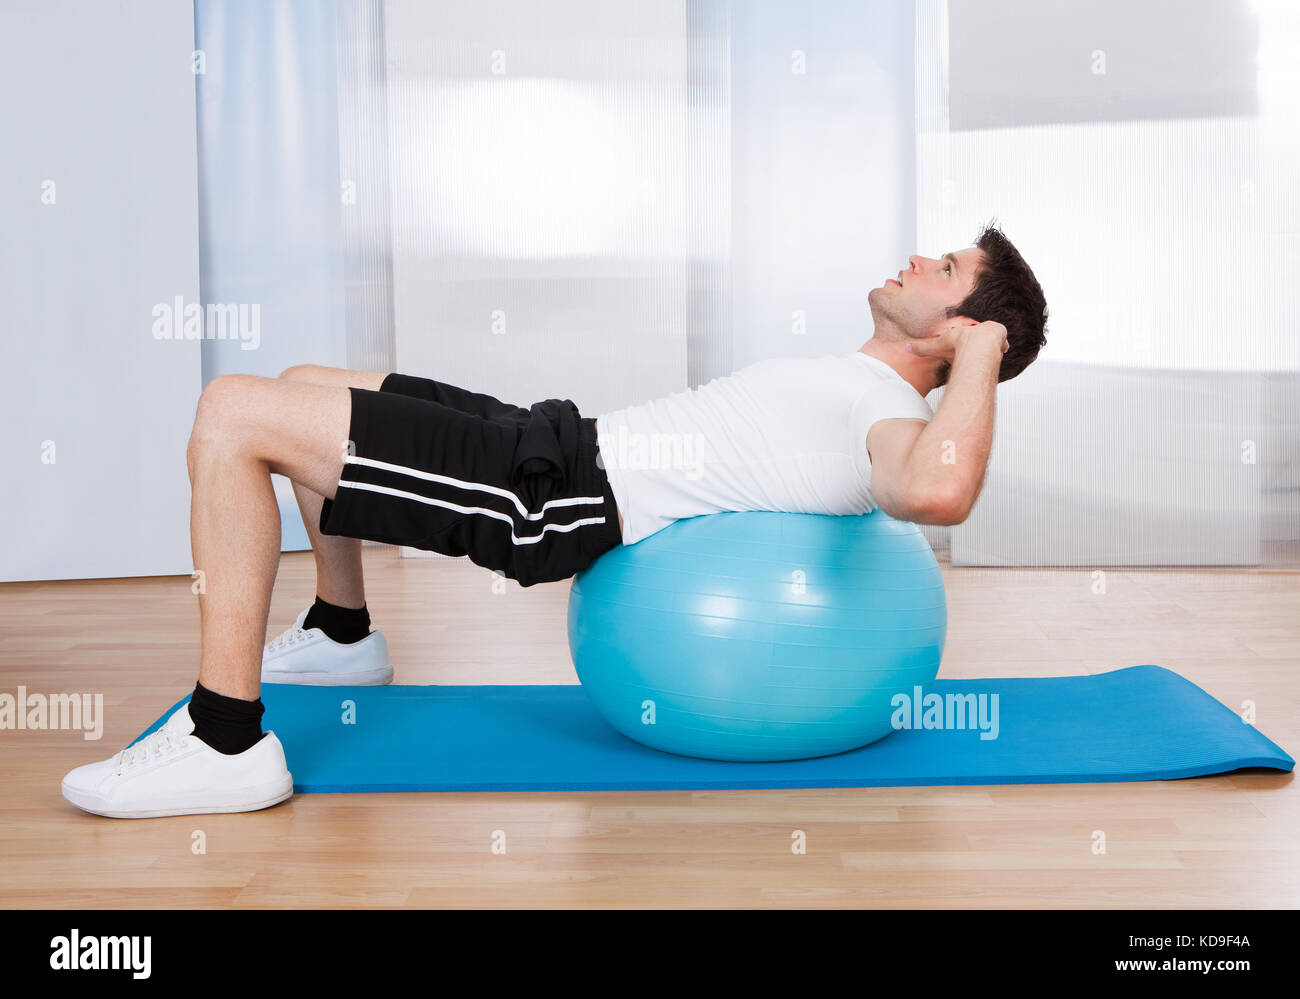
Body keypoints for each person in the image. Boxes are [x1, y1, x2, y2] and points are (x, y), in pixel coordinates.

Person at [61, 221, 1047, 817]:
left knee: (235, 413)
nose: (919, 258)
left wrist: (983, 358)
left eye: (947, 269)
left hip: (554, 500)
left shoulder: (889, 416)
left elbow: (936, 493)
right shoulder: (856, 378)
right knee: (299, 386)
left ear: (959, 331)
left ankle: (225, 742)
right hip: (553, 439)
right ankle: (340, 632)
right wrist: (971, 347)